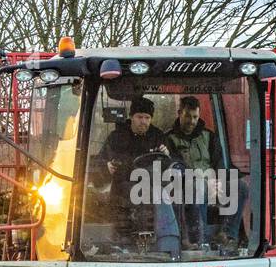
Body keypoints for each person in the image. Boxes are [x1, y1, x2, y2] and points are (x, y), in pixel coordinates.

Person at [93, 96, 181, 255]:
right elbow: (100, 161)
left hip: (155, 184)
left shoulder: (158, 136)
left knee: (179, 190)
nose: (144, 121)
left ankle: (181, 238)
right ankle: (136, 240)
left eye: (147, 118)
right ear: (131, 117)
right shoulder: (116, 137)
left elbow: (174, 163)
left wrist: (168, 155)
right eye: (140, 117)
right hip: (124, 184)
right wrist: (106, 167)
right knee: (146, 192)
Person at [165, 95, 246, 248]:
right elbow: (175, 165)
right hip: (185, 185)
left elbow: (219, 161)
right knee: (198, 187)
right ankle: (199, 240)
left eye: (195, 116)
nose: (192, 121)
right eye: (187, 116)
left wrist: (219, 182)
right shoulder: (169, 139)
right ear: (179, 113)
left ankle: (227, 235)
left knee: (240, 187)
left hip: (212, 181)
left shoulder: (209, 136)